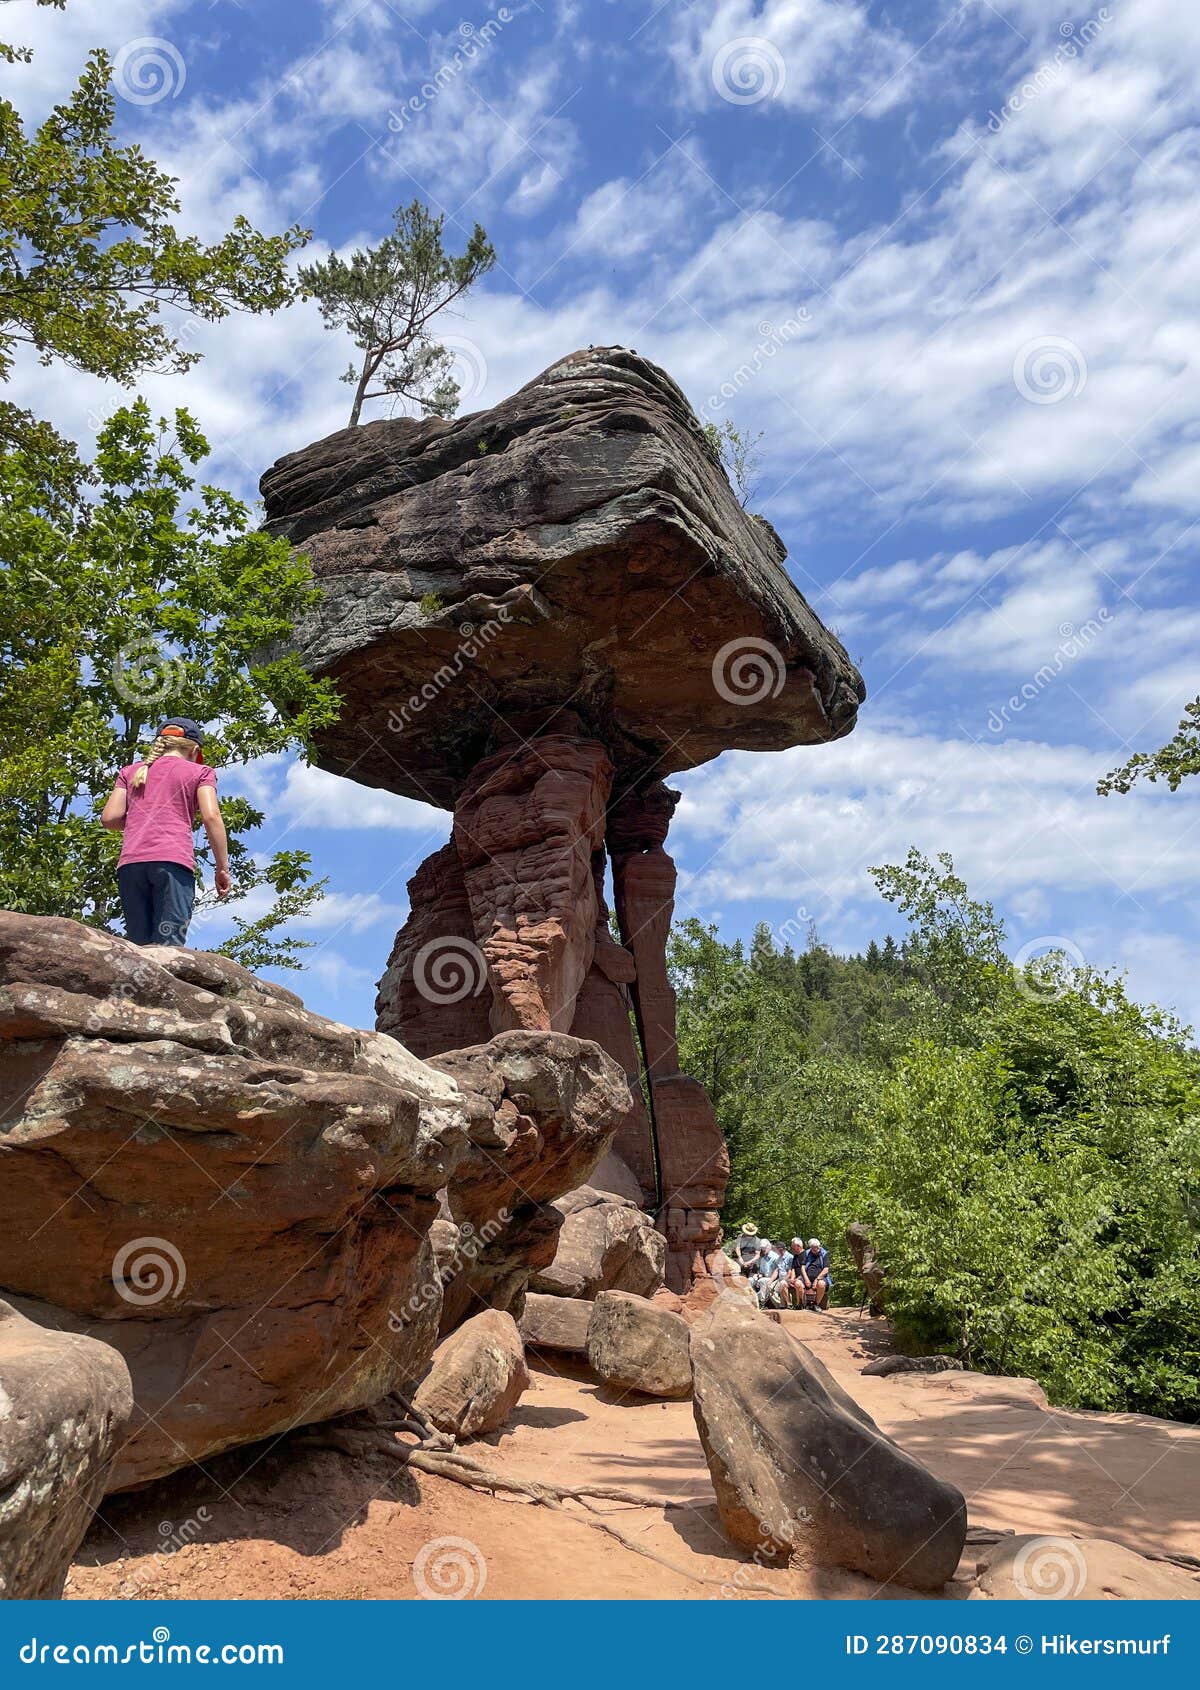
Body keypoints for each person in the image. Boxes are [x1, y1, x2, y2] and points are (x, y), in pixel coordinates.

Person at [102, 717, 230, 946]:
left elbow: (109, 819)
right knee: (168, 946)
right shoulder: (201, 772)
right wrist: (222, 868)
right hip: (172, 863)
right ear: (195, 750)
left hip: (130, 867)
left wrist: (139, 822)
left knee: (138, 946)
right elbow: (211, 817)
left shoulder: (130, 772)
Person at [797, 1237, 832, 1309]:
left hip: (820, 1277)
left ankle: (816, 1304)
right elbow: (802, 1268)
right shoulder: (806, 1253)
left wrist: (817, 1279)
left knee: (821, 1284)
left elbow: (826, 1269)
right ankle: (803, 1304)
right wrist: (806, 1279)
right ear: (811, 1248)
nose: (817, 1249)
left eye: (818, 1247)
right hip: (807, 1277)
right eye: (814, 1248)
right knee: (797, 1283)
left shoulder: (824, 1253)